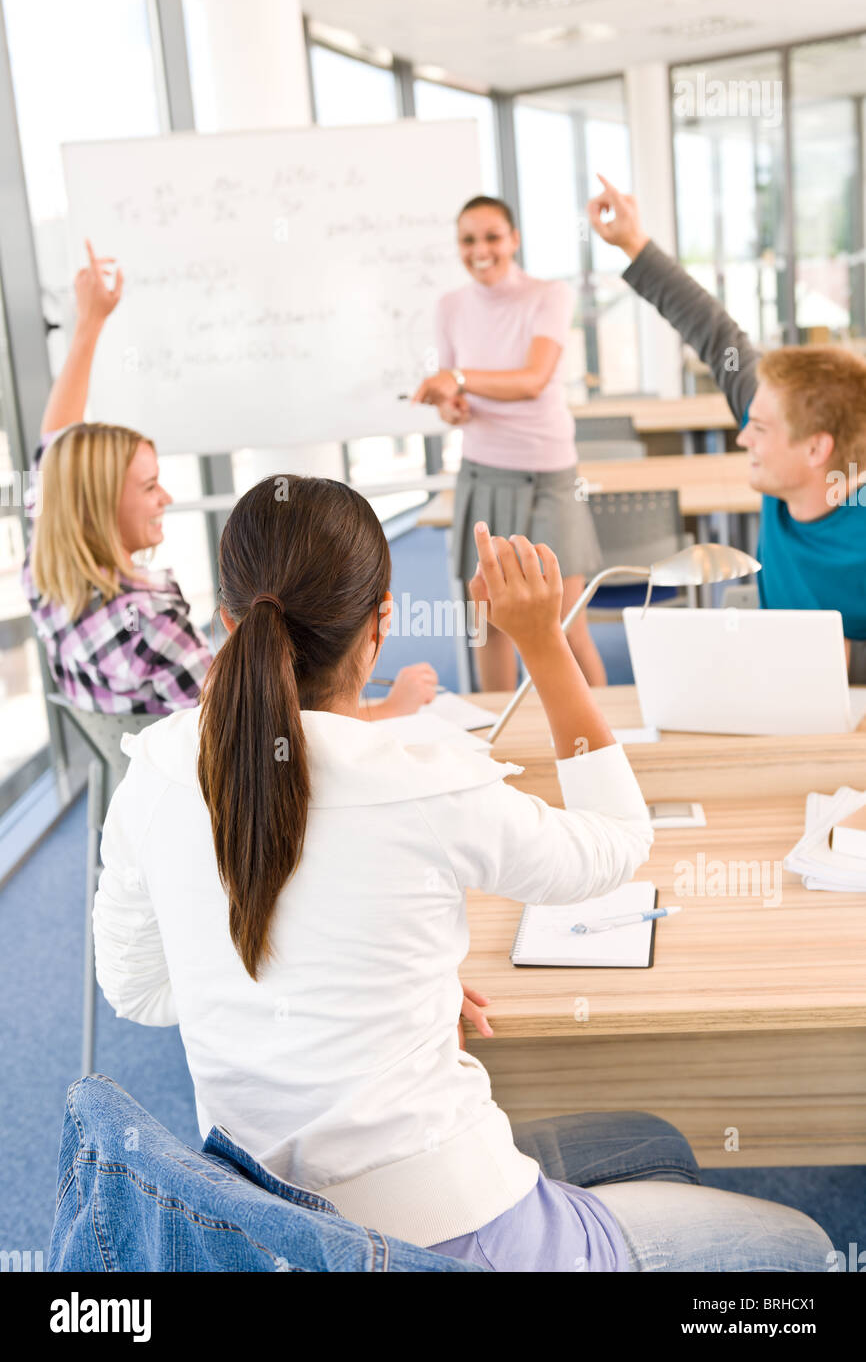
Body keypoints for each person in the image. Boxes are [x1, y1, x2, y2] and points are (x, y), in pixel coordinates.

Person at [94, 476, 832, 1271]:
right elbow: (618, 840)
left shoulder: (156, 771)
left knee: (652, 1144)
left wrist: (349, 983)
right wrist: (543, 642)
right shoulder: (424, 780)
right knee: (808, 1251)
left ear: (228, 621)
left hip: (273, 1237)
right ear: (381, 627)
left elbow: (140, 990)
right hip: (450, 1238)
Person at [24, 241, 437, 717]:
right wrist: (392, 708)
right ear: (95, 506)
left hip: (137, 773)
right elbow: (257, 730)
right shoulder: (149, 624)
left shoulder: (46, 577)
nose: (167, 496)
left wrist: (90, 323)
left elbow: (55, 444)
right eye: (149, 486)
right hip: (200, 779)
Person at [588, 174, 866, 684]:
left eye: (757, 428)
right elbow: (717, 336)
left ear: (816, 449)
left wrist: (849, 658)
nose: (742, 438)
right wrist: (632, 242)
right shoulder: (781, 413)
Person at [412, 195, 607, 692]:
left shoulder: (549, 295)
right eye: (468, 240)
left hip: (548, 476)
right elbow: (457, 396)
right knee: (490, 628)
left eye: (492, 237)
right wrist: (451, 404)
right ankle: (502, 740)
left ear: (514, 240)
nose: (481, 250)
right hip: (483, 472)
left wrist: (455, 377)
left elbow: (532, 380)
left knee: (564, 627)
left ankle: (606, 739)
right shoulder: (449, 306)